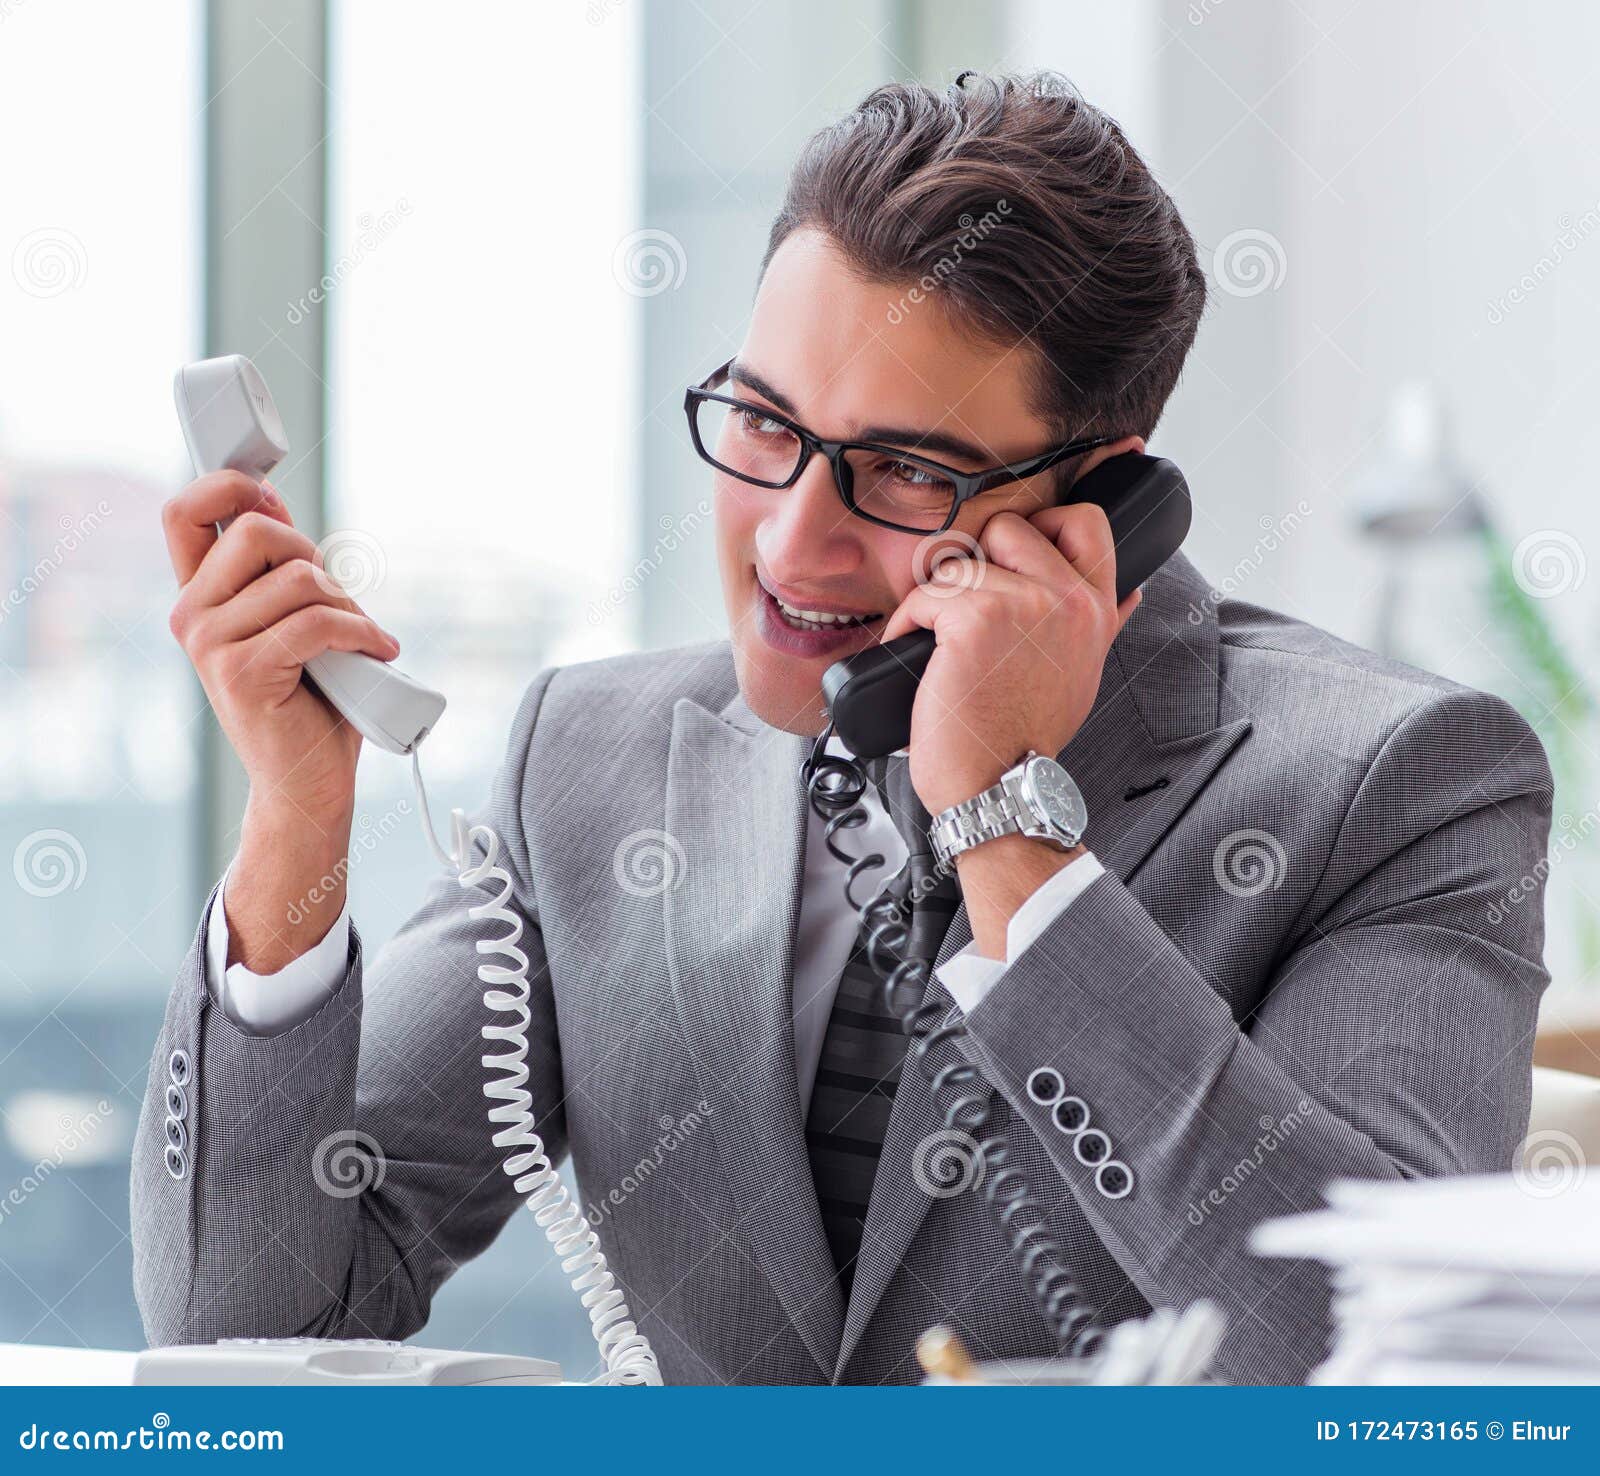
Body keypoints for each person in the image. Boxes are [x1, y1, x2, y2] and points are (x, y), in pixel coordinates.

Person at [133, 71, 1552, 1385]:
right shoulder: (592, 760)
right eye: (762, 426)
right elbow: (250, 1329)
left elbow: (1361, 1368)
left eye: (903, 469)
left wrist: (1007, 831)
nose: (793, 541)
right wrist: (293, 825)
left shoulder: (1401, 786)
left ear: (1098, 507)